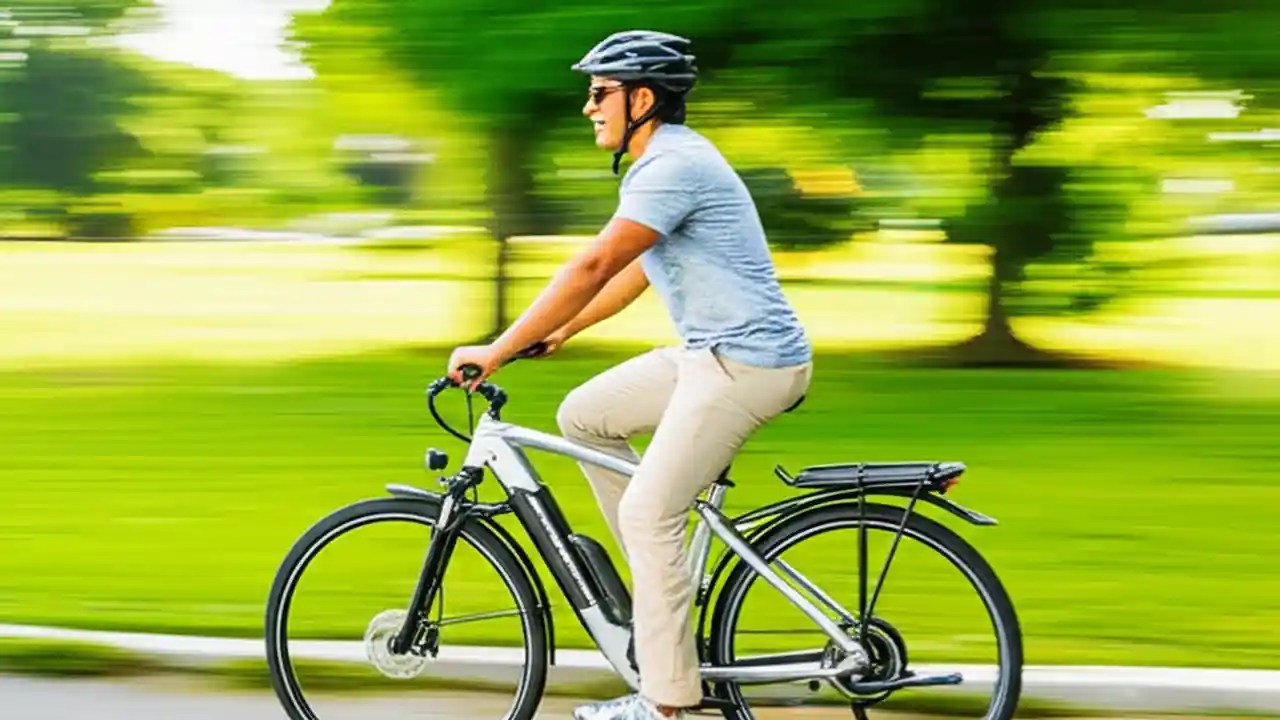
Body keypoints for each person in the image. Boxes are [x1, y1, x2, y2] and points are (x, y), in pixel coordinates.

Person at [446, 29, 813, 720]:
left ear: (641, 100)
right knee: (586, 417)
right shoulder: (668, 161)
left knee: (649, 514)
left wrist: (497, 348)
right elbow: (636, 271)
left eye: (599, 93)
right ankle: (660, 583)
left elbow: (593, 265)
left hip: (746, 363)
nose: (588, 107)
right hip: (713, 354)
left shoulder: (672, 166)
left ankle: (666, 701)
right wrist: (561, 330)